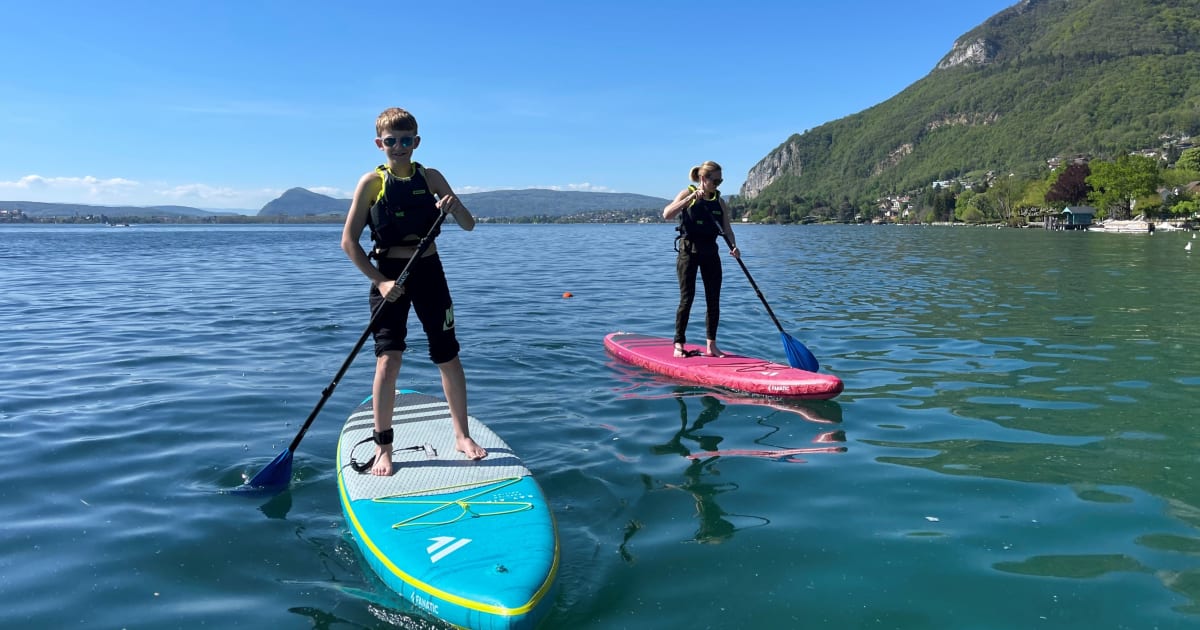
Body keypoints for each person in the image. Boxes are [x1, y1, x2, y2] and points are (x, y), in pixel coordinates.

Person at [340, 107, 487, 476]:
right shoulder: (371, 183)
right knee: (389, 359)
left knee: (447, 356)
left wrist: (454, 206)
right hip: (388, 274)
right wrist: (380, 281)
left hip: (429, 272)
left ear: (416, 142)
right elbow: (349, 243)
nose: (399, 146)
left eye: (407, 140)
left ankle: (462, 435)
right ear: (380, 144)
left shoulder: (432, 177)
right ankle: (384, 448)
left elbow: (469, 226)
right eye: (391, 141)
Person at [662, 161, 740, 359]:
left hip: (710, 254)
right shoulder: (686, 193)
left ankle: (711, 346)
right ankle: (679, 344)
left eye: (721, 180)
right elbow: (667, 214)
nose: (718, 184)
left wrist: (734, 247)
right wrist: (689, 199)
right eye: (715, 180)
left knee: (713, 300)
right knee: (687, 299)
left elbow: (728, 229)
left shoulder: (719, 202)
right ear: (703, 179)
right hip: (688, 253)